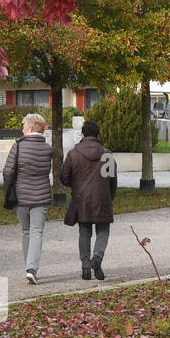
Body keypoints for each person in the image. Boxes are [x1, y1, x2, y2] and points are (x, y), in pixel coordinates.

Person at [61, 120, 118, 281]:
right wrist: (109, 197)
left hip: (82, 199)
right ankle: (97, 258)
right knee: (103, 231)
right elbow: (112, 180)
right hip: (103, 199)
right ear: (98, 135)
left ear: (83, 134)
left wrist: (77, 185)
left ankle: (86, 266)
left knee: (84, 232)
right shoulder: (107, 154)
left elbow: (64, 178)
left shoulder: (74, 154)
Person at [2, 113, 54, 285]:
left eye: (24, 126)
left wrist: (8, 188)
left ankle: (28, 267)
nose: (22, 129)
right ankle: (32, 268)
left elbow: (8, 171)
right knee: (37, 232)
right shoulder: (48, 149)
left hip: (21, 196)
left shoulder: (18, 146)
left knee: (25, 230)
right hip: (41, 197)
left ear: (30, 128)